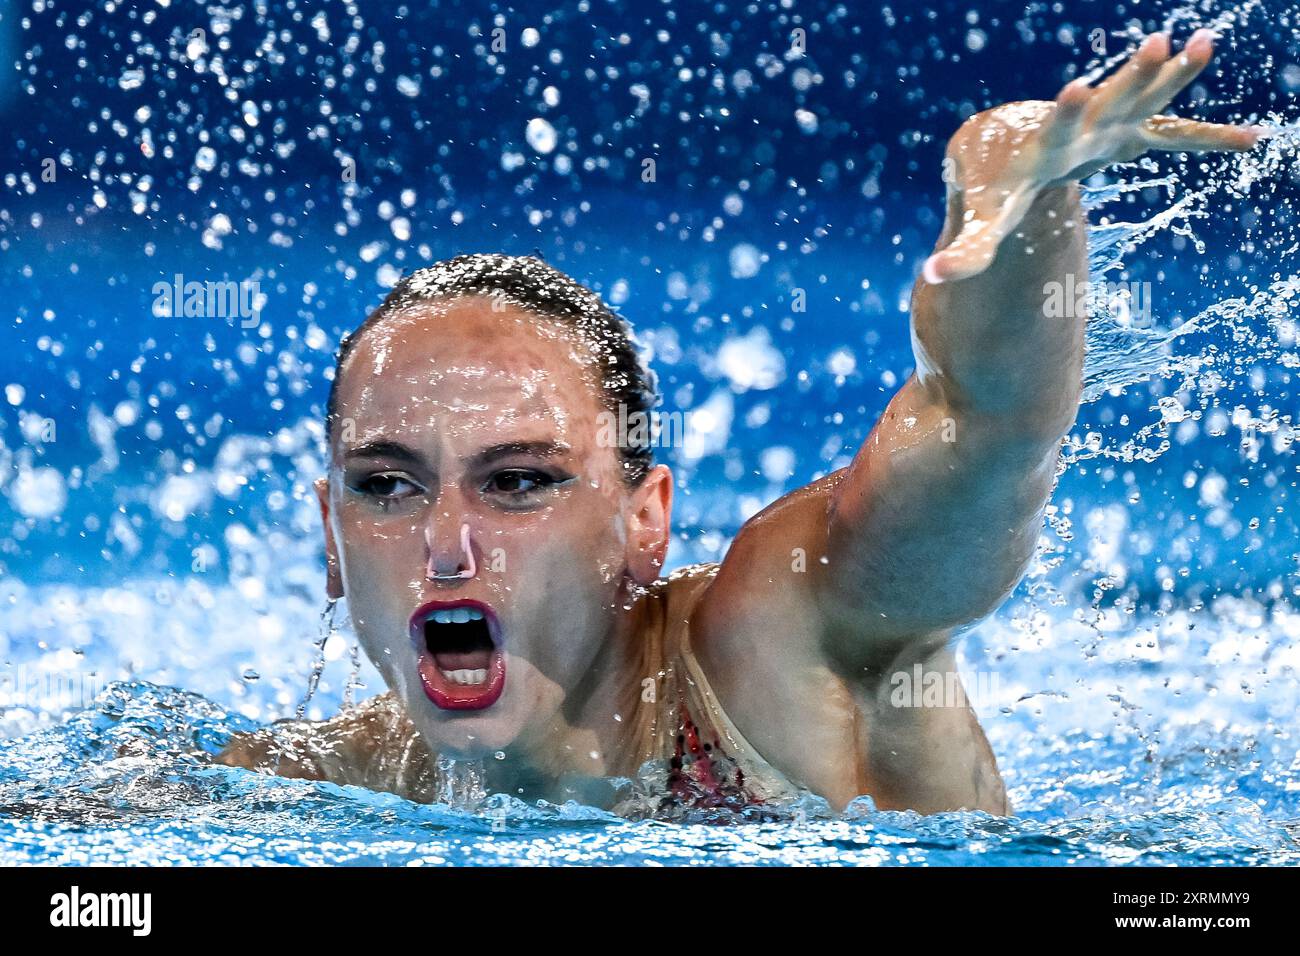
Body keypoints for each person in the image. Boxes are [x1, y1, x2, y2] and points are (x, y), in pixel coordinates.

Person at [216, 30, 1265, 817]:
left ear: (643, 519)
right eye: (387, 484)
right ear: (329, 534)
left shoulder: (782, 633)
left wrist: (1008, 176)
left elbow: (986, 425)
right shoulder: (355, 774)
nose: (446, 544)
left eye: (520, 479)